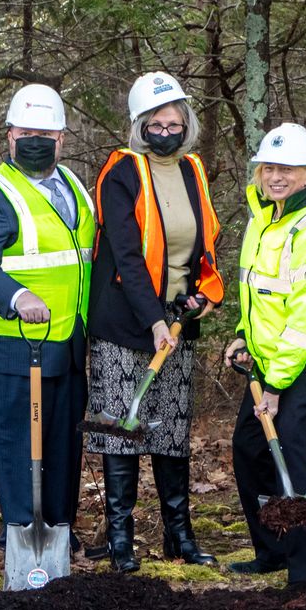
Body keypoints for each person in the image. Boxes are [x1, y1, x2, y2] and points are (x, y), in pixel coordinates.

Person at [84, 71, 224, 571]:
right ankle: (121, 538)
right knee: (125, 427)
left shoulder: (193, 170)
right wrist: (151, 321)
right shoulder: (120, 171)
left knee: (171, 430)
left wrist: (205, 292)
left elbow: (203, 241)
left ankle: (178, 535)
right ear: (139, 125)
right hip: (126, 322)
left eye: (174, 122)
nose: (166, 131)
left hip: (178, 320)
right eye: (156, 124)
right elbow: (125, 253)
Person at [0, 83, 96, 542]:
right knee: (17, 448)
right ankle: (21, 535)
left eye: (45, 132)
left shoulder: (74, 186)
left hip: (67, 344)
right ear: (10, 136)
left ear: (62, 139)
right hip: (11, 348)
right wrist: (17, 298)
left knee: (63, 448)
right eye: (27, 131)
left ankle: (58, 532)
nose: (36, 140)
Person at [225, 123, 306, 586]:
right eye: (269, 168)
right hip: (269, 357)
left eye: (287, 169)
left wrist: (279, 383)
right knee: (249, 447)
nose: (275, 176)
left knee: (289, 455)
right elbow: (260, 295)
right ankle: (273, 550)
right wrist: (243, 334)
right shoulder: (266, 221)